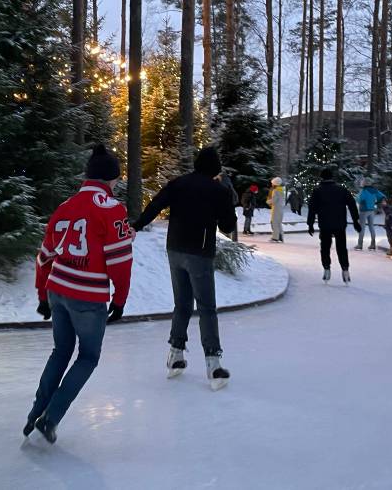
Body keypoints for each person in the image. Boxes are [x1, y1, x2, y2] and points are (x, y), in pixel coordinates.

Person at [26, 144, 133, 444]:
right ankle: (51, 416)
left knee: (61, 351)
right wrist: (120, 299)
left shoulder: (65, 207)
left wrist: (42, 294)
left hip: (58, 288)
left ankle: (36, 411)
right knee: (87, 357)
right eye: (116, 180)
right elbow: (120, 260)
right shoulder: (112, 209)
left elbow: (44, 255)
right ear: (111, 179)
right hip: (88, 297)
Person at [132, 146, 238, 391]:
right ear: (216, 168)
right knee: (206, 307)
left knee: (182, 303)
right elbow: (228, 225)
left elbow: (155, 205)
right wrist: (227, 195)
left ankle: (175, 355)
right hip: (199, 253)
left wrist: (137, 226)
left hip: (175, 250)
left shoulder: (178, 183)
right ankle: (213, 363)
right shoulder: (218, 190)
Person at [308, 168, 362, 284]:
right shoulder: (342, 190)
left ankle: (327, 268)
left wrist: (310, 223)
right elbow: (352, 204)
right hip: (340, 223)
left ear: (322, 178)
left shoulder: (317, 191)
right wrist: (356, 221)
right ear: (332, 177)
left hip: (325, 223)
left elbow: (312, 208)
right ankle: (345, 269)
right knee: (341, 247)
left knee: (325, 247)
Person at [356, 178, 386, 251]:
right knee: (371, 227)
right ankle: (373, 244)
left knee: (361, 228)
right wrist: (376, 202)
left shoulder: (363, 191)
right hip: (372, 210)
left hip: (363, 210)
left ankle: (360, 245)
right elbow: (382, 196)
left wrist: (356, 198)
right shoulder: (374, 190)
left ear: (364, 184)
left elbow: (359, 199)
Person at [220, 171, 239, 242]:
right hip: (231, 209)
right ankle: (232, 242)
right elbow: (235, 198)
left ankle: (227, 243)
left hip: (224, 210)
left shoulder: (222, 184)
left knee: (224, 232)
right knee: (230, 229)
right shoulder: (229, 184)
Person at [268, 177, 286, 243]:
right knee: (279, 223)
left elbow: (274, 200)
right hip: (281, 208)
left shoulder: (275, 191)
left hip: (276, 209)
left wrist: (268, 201)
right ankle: (280, 237)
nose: (272, 184)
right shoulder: (282, 190)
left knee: (274, 223)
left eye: (272, 183)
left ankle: (275, 238)